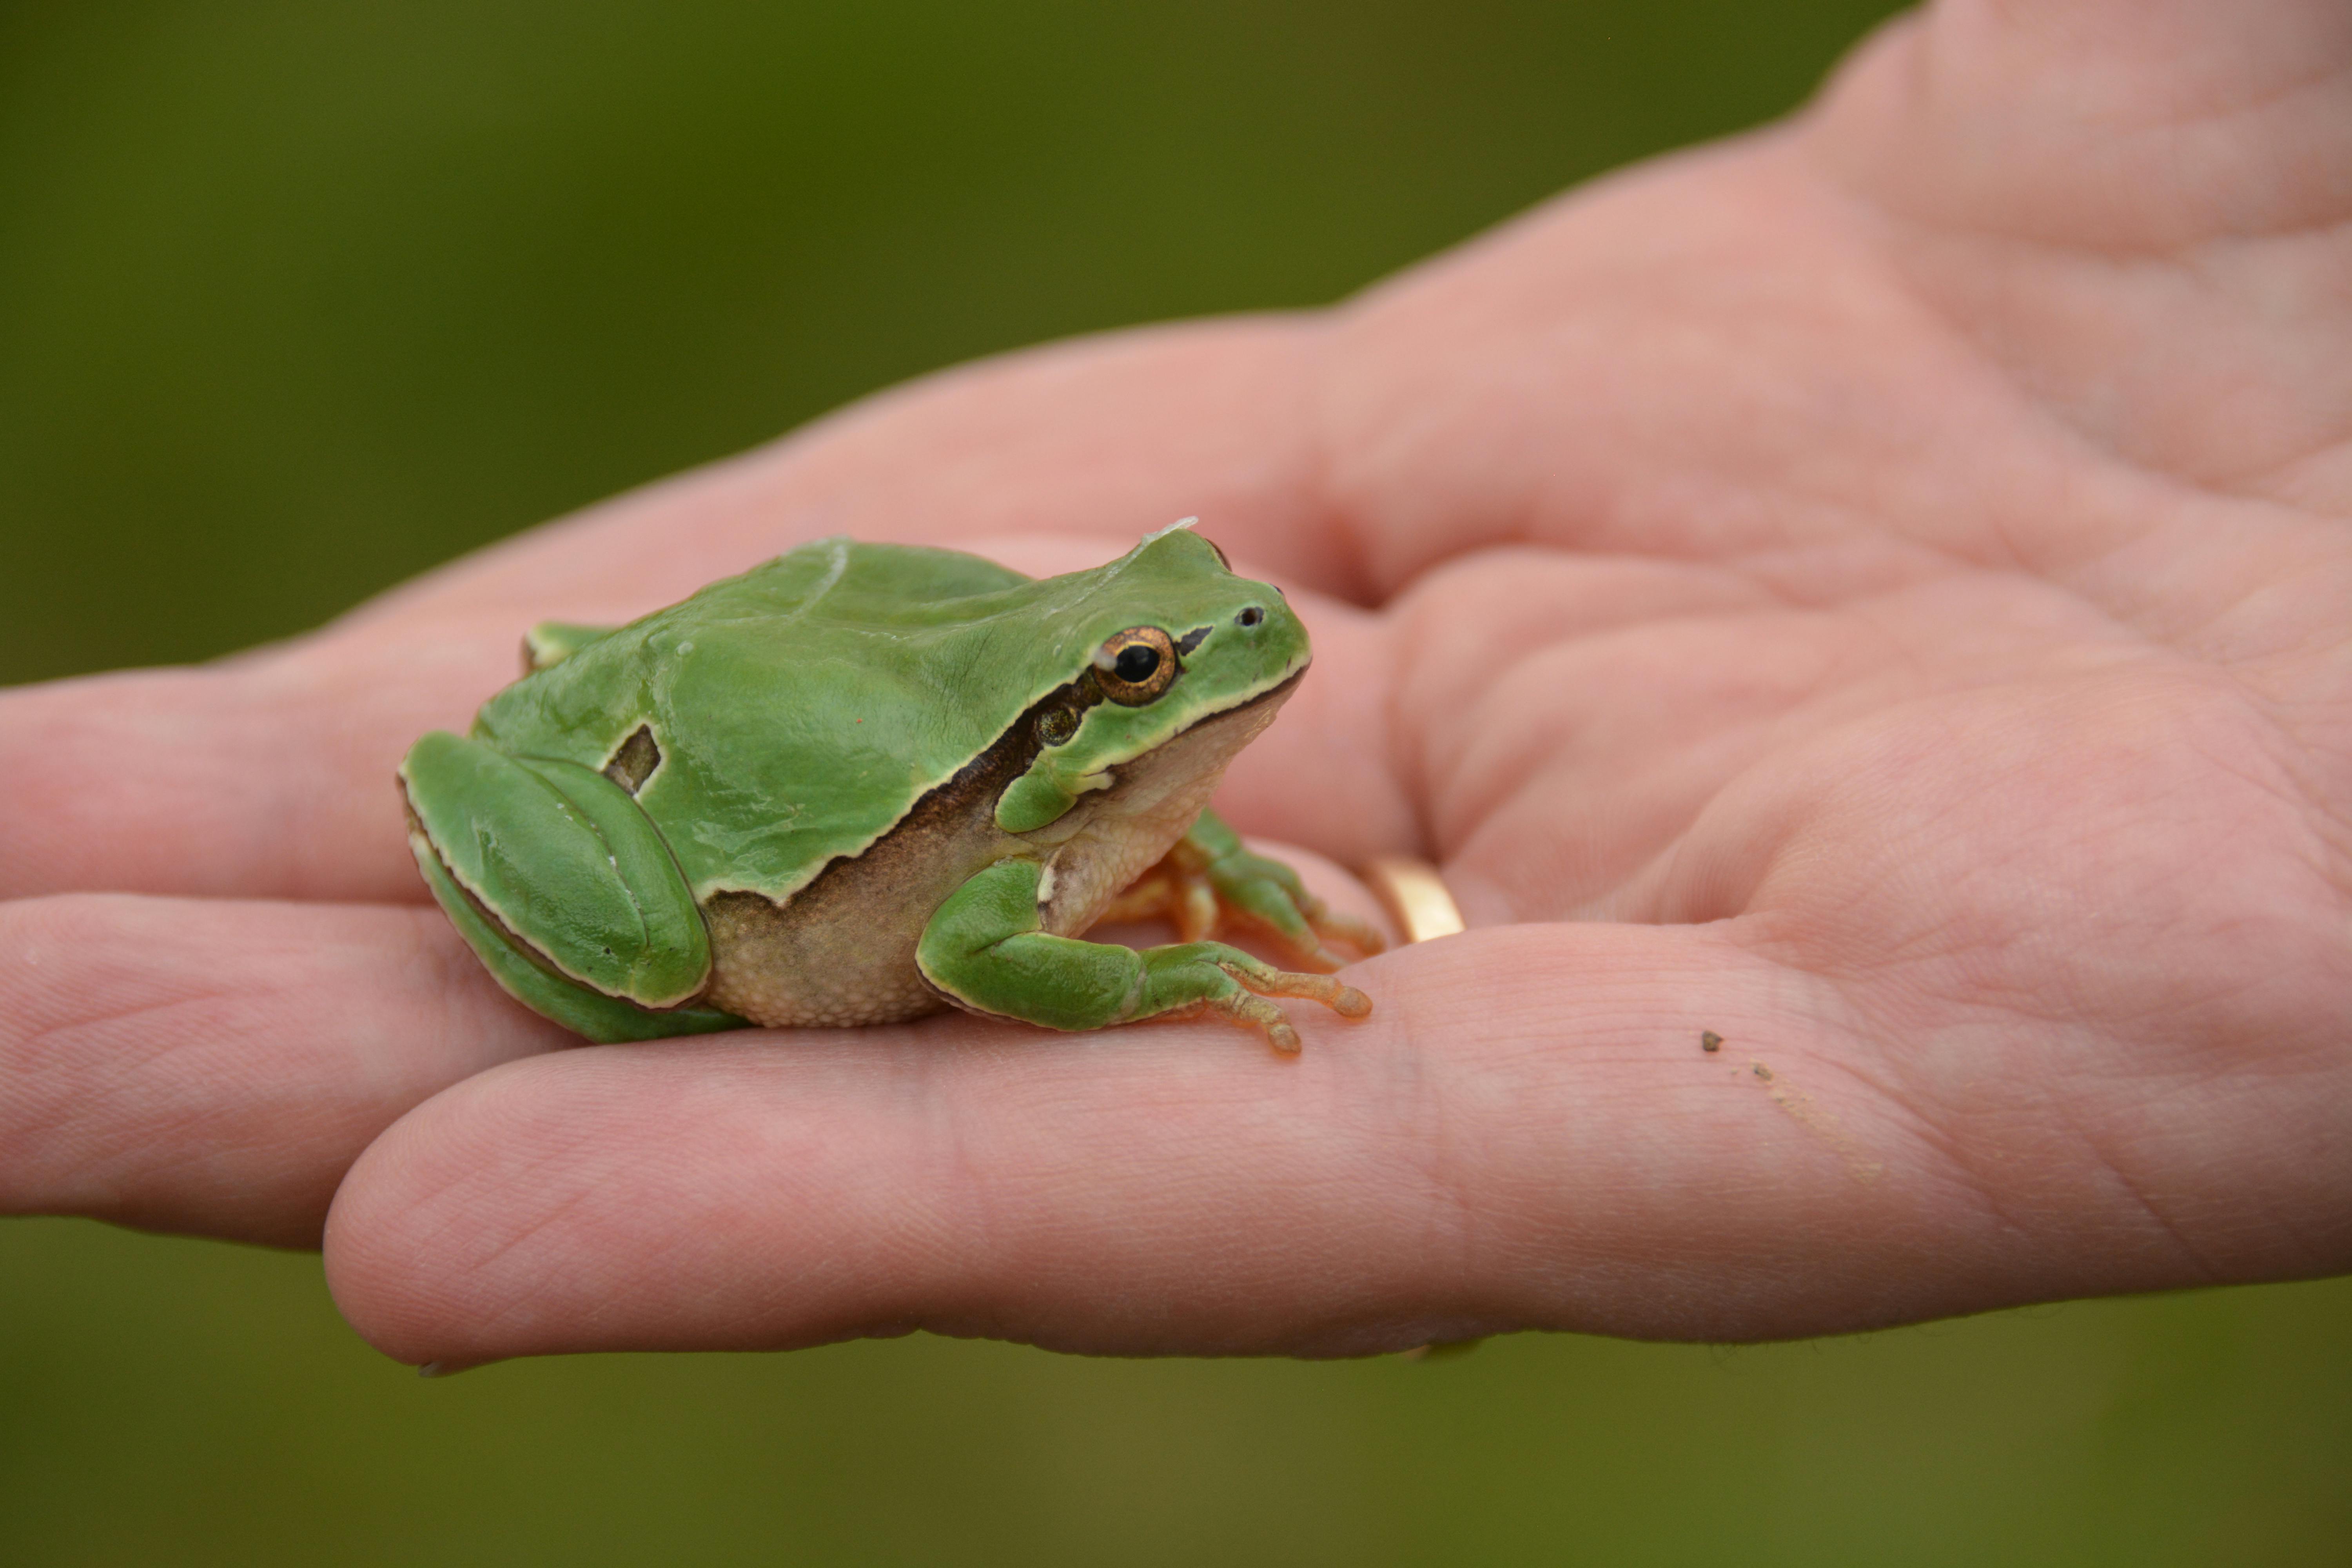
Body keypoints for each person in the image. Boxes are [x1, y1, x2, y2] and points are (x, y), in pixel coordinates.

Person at [2, 0, 2344, 1367]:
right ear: (1080, 701)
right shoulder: (1018, 823)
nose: (1215, 664)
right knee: (640, 954)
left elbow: (1108, 829)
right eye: (1150, 666)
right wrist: (1182, 991)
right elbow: (973, 932)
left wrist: (1198, 858)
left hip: (810, 700)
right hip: (708, 860)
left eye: (1186, 624)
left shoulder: (1106, 769)